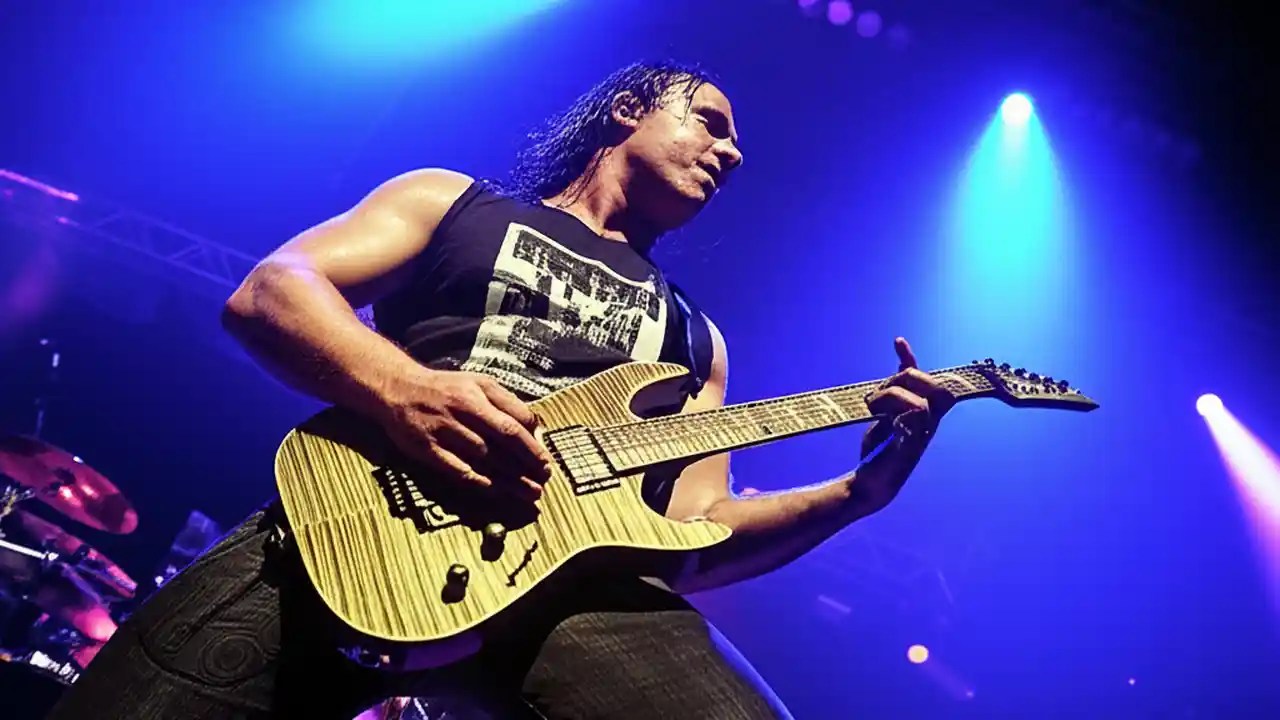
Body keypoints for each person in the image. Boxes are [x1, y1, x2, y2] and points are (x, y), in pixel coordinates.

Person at [46, 60, 953, 719]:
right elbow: (274, 289)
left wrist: (857, 494)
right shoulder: (454, 203)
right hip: (360, 525)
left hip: (571, 590)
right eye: (710, 123)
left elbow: (698, 533)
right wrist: (405, 389)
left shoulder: (697, 340)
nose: (733, 152)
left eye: (735, 141)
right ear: (629, 110)